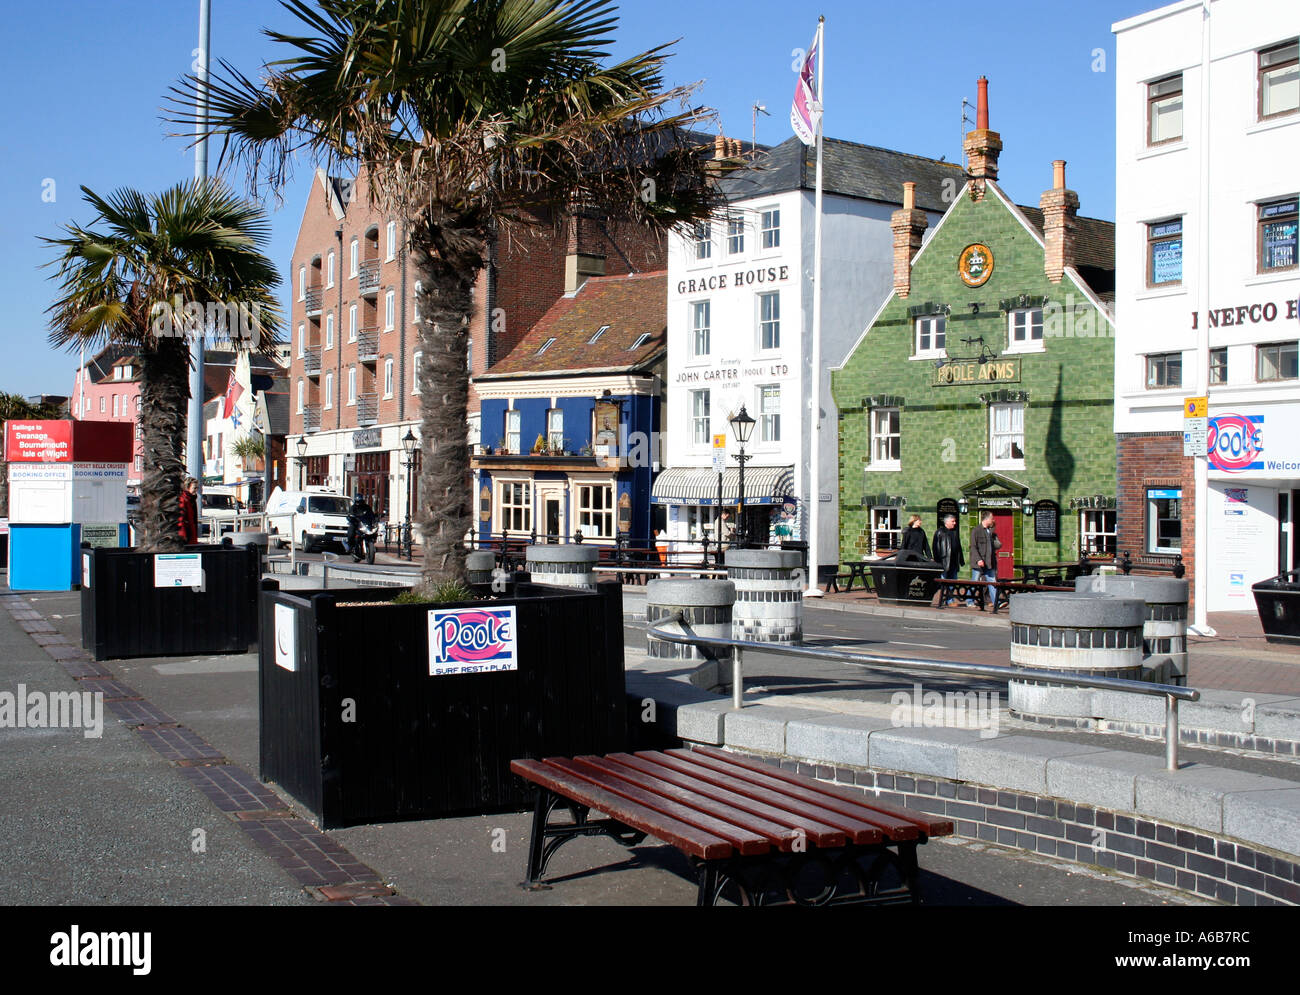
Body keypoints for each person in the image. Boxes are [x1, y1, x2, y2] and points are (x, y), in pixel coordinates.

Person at [970, 511, 1001, 609]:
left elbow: (995, 546)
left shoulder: (989, 532)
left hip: (989, 562)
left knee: (992, 582)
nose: (993, 520)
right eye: (992, 518)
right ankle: (969, 600)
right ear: (987, 519)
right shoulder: (976, 530)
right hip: (979, 562)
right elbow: (973, 547)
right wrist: (978, 559)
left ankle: (996, 601)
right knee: (974, 582)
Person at [931, 513, 965, 605]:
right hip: (944, 562)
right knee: (942, 583)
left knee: (952, 582)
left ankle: (949, 600)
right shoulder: (940, 532)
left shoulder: (955, 532)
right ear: (947, 522)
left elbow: (958, 547)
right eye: (953, 521)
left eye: (955, 521)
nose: (954, 523)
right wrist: (938, 561)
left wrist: (961, 560)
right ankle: (932, 598)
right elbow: (935, 547)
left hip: (954, 562)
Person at [177, 477, 199, 545]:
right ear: (187, 487)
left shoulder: (191, 499)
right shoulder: (184, 499)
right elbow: (181, 519)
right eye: (194, 488)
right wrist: (183, 536)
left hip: (191, 532)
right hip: (187, 534)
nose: (196, 490)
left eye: (197, 488)